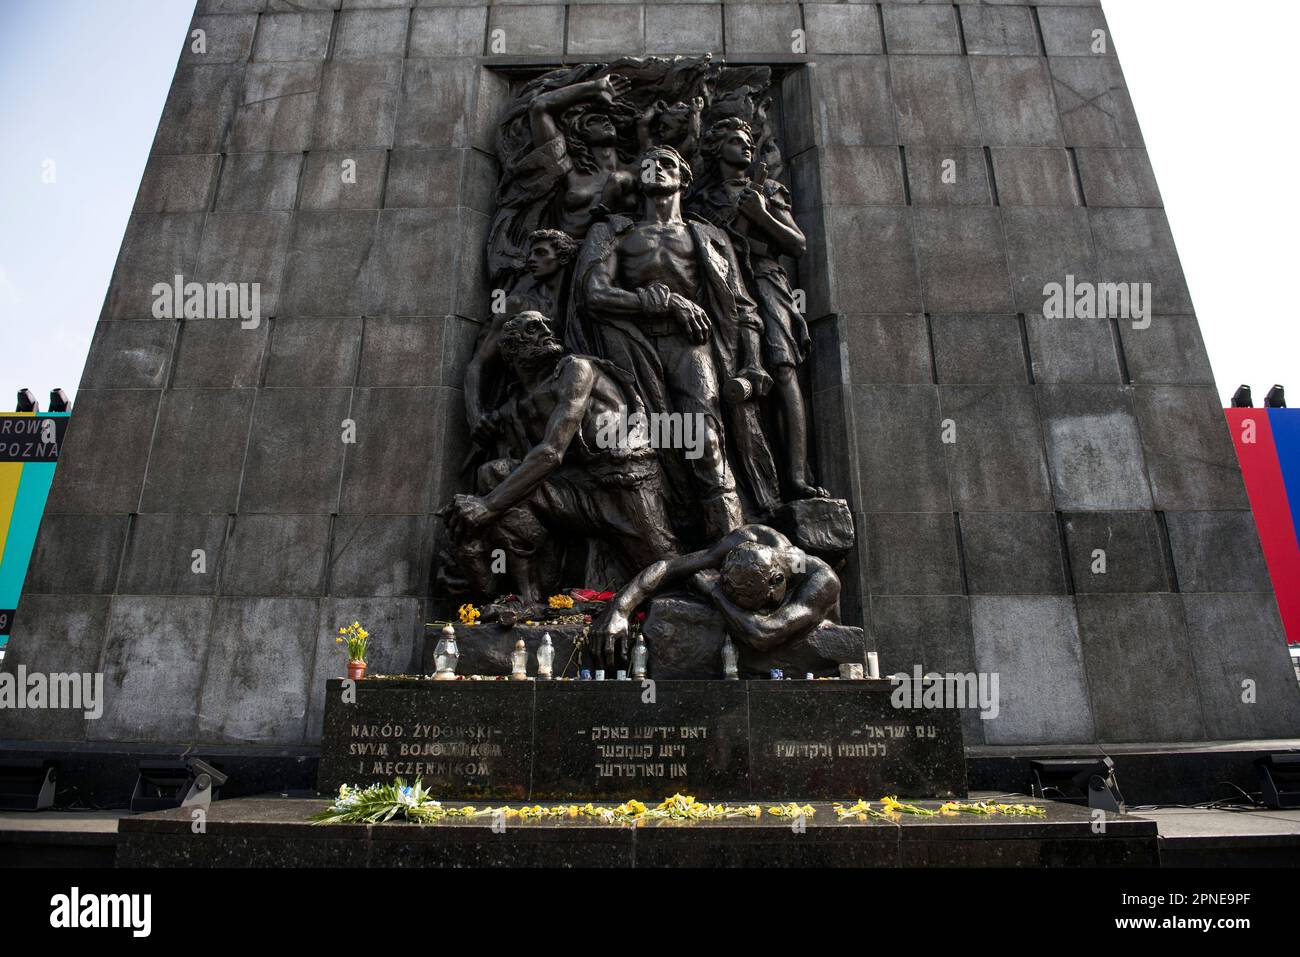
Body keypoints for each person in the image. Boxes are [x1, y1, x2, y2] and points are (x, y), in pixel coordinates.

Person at [577, 144, 781, 539]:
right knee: (638, 442)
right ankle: (665, 548)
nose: (656, 168)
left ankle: (735, 551)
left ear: (684, 179)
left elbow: (742, 308)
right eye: (648, 163)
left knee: (703, 441)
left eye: (667, 163)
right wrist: (664, 302)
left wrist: (751, 365)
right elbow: (594, 293)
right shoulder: (613, 230)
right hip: (629, 348)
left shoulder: (709, 236)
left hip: (693, 346)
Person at [446, 312, 680, 600]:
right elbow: (525, 467)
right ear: (512, 349)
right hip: (577, 489)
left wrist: (487, 506)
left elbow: (550, 453)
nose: (547, 330)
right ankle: (528, 599)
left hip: (624, 484)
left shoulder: (575, 369)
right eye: (534, 328)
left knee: (666, 569)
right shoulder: (516, 405)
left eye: (547, 324)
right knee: (493, 474)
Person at [693, 117, 826, 500]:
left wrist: (762, 215)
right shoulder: (702, 200)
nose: (745, 146)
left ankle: (797, 478)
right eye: (735, 140)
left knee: (783, 369)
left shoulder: (767, 189)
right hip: (721, 288)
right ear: (718, 149)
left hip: (766, 281)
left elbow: (797, 245)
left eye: (749, 140)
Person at [589, 524, 841, 670]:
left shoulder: (822, 582)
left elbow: (764, 634)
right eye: (728, 590)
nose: (733, 602)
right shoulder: (750, 538)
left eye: (742, 600)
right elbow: (669, 567)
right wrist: (621, 608)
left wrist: (714, 592)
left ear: (776, 582)